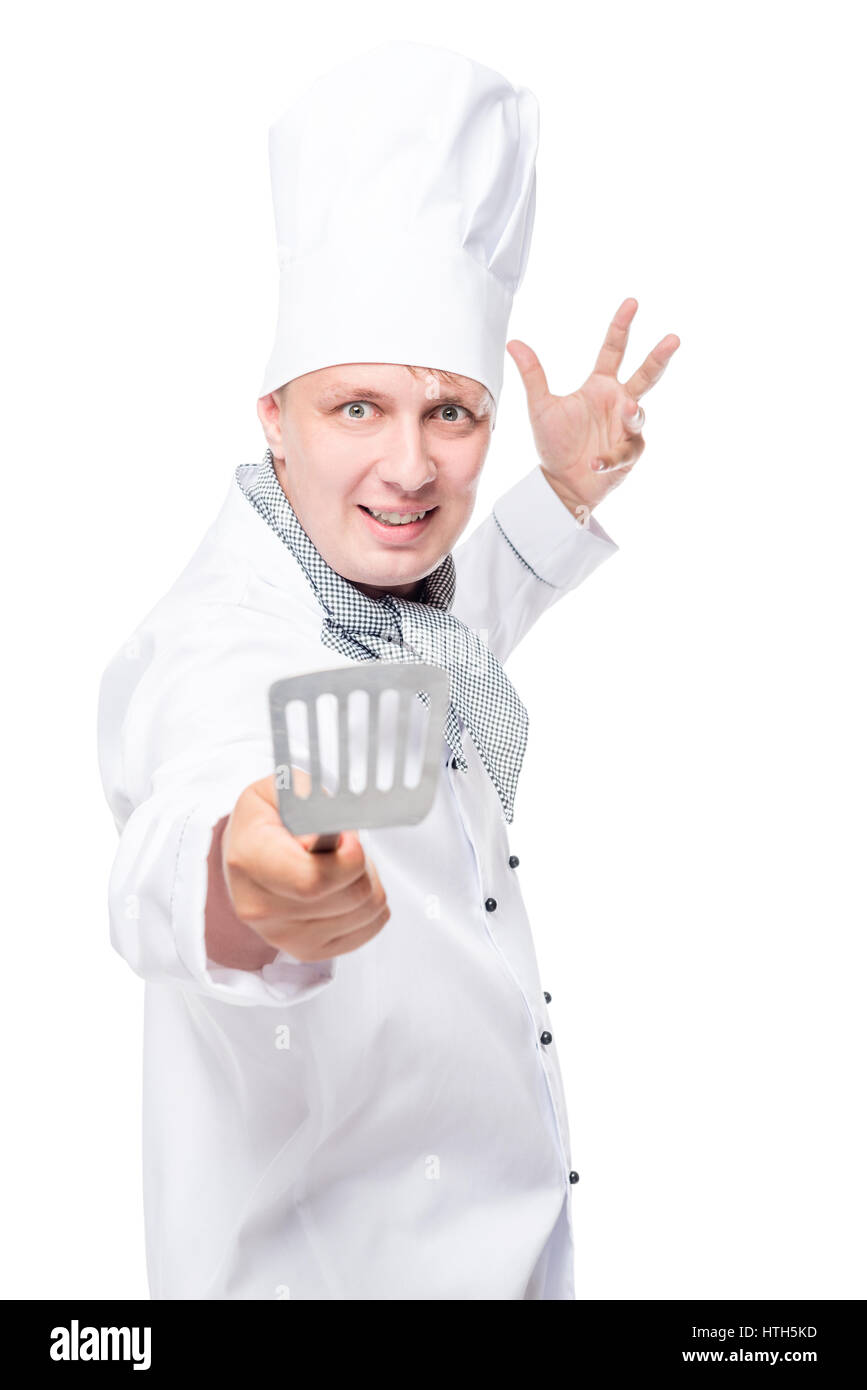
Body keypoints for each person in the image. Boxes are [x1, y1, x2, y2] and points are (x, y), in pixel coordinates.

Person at [97, 39, 678, 1300]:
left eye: (451, 414)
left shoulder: (391, 593)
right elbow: (184, 816)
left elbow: (460, 625)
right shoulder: (225, 639)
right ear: (274, 419)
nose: (411, 470)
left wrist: (566, 491)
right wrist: (239, 882)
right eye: (358, 408)